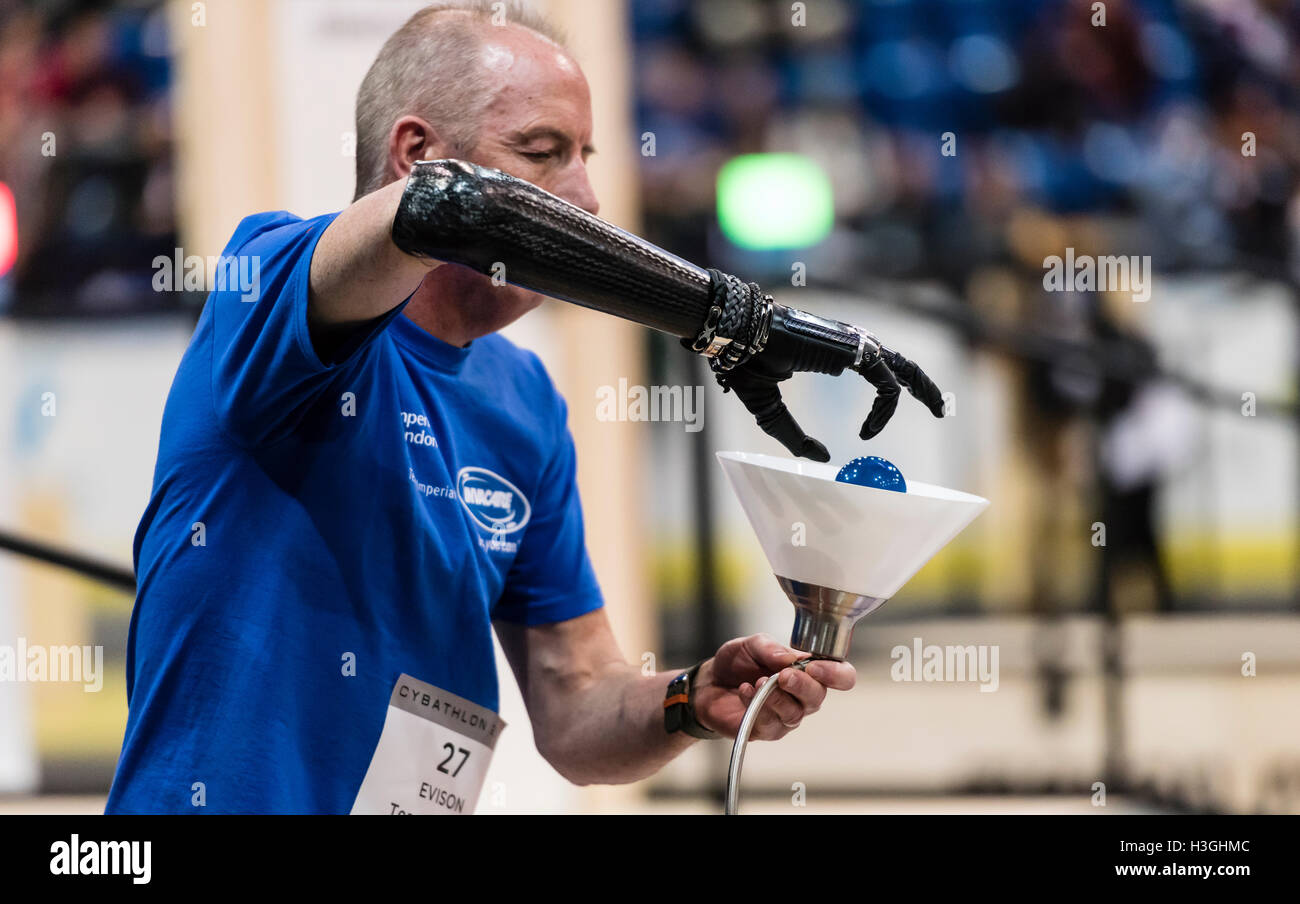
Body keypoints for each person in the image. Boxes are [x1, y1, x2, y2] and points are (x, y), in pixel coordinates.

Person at [106, 1, 892, 814]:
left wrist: (689, 700)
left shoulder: (525, 402)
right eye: (544, 152)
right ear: (414, 154)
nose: (587, 195)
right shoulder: (269, 276)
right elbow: (443, 210)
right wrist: (733, 319)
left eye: (586, 154)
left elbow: (576, 701)